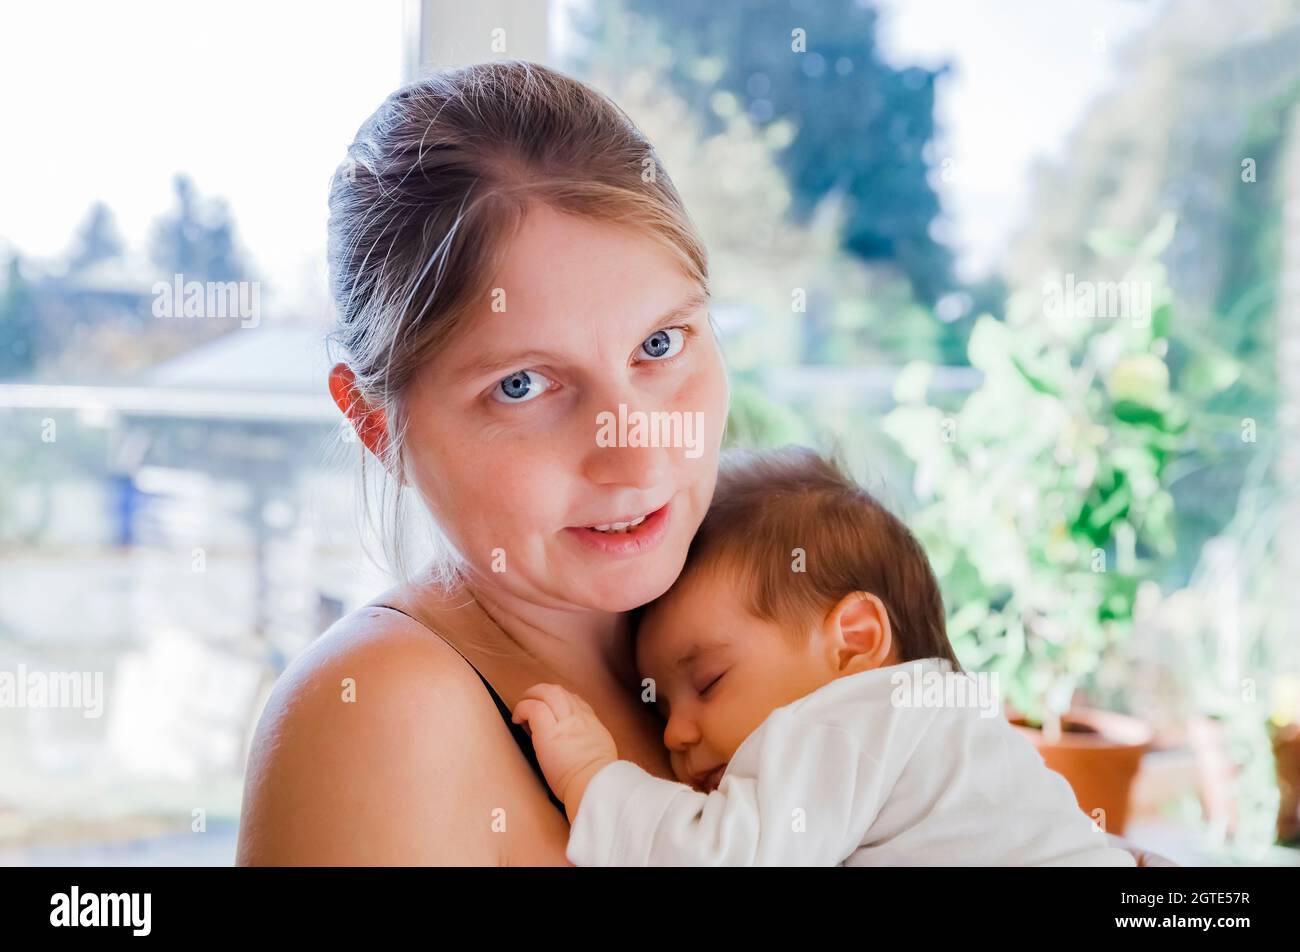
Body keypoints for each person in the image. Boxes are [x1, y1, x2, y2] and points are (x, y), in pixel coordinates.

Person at [234, 60, 1169, 867]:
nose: (639, 451)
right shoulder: (381, 717)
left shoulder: (750, 594)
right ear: (373, 423)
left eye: (661, 344)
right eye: (522, 386)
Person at [512, 447, 1135, 866]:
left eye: (709, 680)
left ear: (855, 642)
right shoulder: (918, 726)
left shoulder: (849, 719)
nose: (675, 732)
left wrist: (591, 779)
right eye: (661, 707)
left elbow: (730, 858)